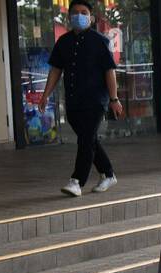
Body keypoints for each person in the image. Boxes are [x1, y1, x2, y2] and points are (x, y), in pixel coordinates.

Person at [37, 2, 124, 196]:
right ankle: (108, 174)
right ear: (69, 17)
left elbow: (109, 72)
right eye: (75, 13)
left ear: (91, 18)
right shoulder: (63, 42)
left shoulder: (100, 41)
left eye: (83, 13)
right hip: (73, 100)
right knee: (89, 138)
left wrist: (114, 99)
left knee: (85, 139)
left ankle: (76, 181)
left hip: (95, 100)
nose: (79, 16)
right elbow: (56, 71)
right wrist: (45, 95)